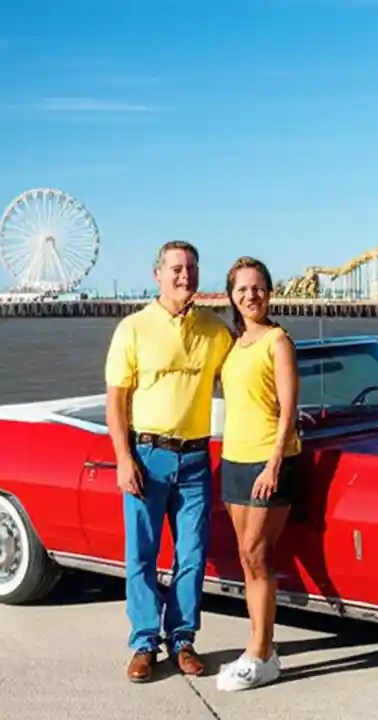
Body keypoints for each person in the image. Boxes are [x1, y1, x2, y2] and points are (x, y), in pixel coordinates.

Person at [105, 240, 233, 683]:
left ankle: (182, 639)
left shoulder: (216, 331)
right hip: (147, 456)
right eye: (177, 268)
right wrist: (124, 459)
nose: (185, 276)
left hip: (196, 459)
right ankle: (144, 643)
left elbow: (247, 367)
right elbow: (117, 401)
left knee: (192, 555)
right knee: (140, 554)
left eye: (192, 268)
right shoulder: (133, 329)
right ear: (156, 273)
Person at [213, 256, 301, 692]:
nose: (251, 295)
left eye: (258, 287)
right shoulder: (231, 343)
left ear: (270, 291)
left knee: (257, 553)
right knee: (248, 561)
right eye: (242, 289)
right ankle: (261, 645)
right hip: (234, 459)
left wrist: (274, 463)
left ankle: (261, 654)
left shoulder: (278, 341)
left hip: (270, 461)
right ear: (231, 296)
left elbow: (289, 410)